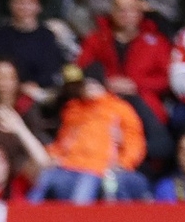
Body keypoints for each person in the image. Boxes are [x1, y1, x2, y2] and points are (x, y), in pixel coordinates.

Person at [30, 65, 148, 203]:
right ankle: (25, 215)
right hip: (70, 165)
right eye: (86, 84)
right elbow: (64, 141)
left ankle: (77, 217)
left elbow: (134, 142)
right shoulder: (74, 110)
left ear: (102, 85)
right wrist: (52, 155)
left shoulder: (120, 109)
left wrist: (123, 164)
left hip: (100, 167)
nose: (90, 88)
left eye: (94, 84)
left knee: (85, 187)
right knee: (45, 179)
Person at [77, 0, 173, 117]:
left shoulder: (157, 43)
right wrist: (106, 82)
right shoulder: (95, 40)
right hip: (102, 103)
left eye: (131, 9)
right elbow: (81, 70)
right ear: (112, 11)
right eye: (120, 9)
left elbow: (166, 79)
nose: (126, 14)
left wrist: (135, 84)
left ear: (140, 12)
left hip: (144, 104)